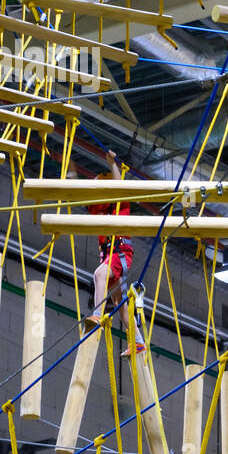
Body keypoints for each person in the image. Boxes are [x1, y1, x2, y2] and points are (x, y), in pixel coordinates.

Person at [86, 149, 140, 355]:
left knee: (100, 274)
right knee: (120, 303)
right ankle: (138, 342)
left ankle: (98, 316)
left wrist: (112, 164)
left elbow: (118, 187)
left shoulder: (118, 205)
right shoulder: (98, 209)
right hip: (112, 254)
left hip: (120, 253)